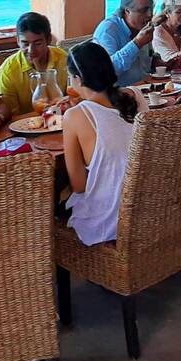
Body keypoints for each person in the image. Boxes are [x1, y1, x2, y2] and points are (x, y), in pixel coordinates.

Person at [60, 40, 142, 245]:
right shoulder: (135, 96)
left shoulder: (75, 116)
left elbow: (79, 186)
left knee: (56, 203)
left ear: (77, 79)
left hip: (112, 220)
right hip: (148, 207)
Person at [0, 11, 68, 119]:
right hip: (24, 127)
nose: (31, 50)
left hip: (61, 121)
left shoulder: (63, 59)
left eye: (37, 43)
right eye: (25, 44)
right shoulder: (9, 70)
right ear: (17, 41)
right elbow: (6, 114)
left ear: (49, 40)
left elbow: (75, 98)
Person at [93, 0, 157, 87]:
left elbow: (148, 65)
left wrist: (158, 62)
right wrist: (136, 43)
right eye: (143, 10)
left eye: (151, 9)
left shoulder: (143, 27)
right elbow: (108, 70)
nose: (149, 15)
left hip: (145, 90)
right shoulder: (108, 30)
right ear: (127, 11)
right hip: (118, 96)